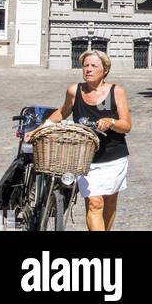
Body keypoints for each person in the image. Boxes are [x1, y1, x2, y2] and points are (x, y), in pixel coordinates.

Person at [42, 50, 131, 231]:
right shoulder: (74, 90)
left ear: (105, 70)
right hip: (85, 157)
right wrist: (42, 127)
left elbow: (126, 125)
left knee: (110, 201)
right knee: (95, 203)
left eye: (93, 66)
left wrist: (111, 122)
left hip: (114, 155)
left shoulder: (116, 92)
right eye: (85, 65)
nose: (88, 69)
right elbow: (63, 112)